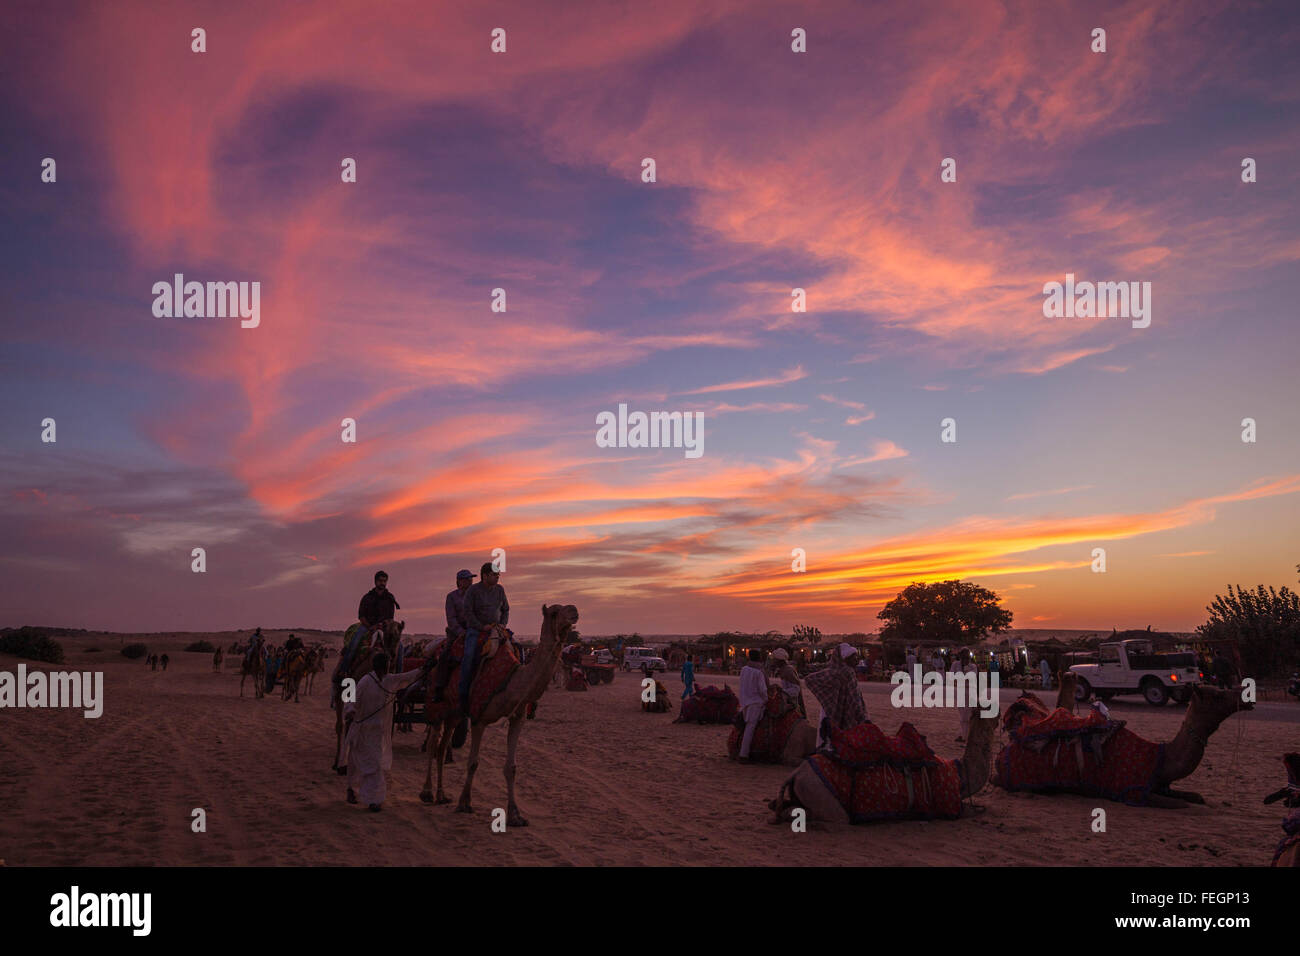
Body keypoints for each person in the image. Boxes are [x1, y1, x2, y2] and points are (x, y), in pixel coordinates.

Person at [342, 652, 431, 811]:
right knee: (356, 763)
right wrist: (350, 710)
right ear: (380, 666)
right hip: (363, 729)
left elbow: (407, 677)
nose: (389, 667)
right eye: (387, 665)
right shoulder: (365, 681)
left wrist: (424, 669)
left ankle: (373, 800)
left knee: (375, 763)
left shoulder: (390, 680)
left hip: (379, 732)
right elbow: (350, 698)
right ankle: (351, 789)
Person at [450, 562, 509, 713]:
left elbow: (505, 609)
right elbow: (468, 613)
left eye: (498, 575)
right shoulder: (473, 591)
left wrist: (502, 624)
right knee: (469, 655)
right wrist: (482, 627)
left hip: (496, 628)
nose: (497, 578)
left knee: (515, 650)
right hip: (476, 629)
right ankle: (463, 694)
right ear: (485, 575)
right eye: (494, 575)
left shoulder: (500, 590)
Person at [805, 643, 870, 750]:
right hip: (845, 708)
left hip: (829, 708)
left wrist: (829, 697)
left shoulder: (834, 671)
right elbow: (855, 698)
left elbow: (809, 679)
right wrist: (862, 716)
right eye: (853, 657)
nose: (856, 660)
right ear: (845, 659)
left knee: (829, 737)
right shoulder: (847, 672)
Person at [737, 649, 769, 763]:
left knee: (747, 727)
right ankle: (744, 755)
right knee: (750, 728)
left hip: (744, 701)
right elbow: (763, 690)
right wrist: (767, 700)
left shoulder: (744, 669)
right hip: (755, 703)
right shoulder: (759, 672)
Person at [951, 649, 978, 741]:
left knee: (967, 715)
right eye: (964, 657)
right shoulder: (955, 664)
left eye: (967, 657)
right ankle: (964, 735)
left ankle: (966, 736)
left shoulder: (973, 666)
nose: (966, 659)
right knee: (962, 715)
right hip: (960, 691)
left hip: (970, 691)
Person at [769, 648, 803, 713]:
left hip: (791, 703)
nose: (773, 662)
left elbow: (796, 690)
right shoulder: (784, 669)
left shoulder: (788, 670)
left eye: (774, 660)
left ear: (779, 661)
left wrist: (781, 691)